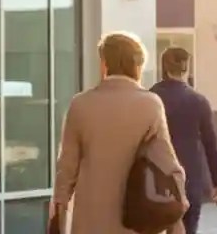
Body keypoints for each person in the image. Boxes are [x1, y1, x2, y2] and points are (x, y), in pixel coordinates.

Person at [52, 32, 184, 234]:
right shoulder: (150, 104)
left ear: (104, 63)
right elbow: (167, 165)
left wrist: (57, 218)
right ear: (137, 66)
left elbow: (66, 170)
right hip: (136, 221)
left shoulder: (81, 105)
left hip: (90, 223)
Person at [151, 47, 217, 234]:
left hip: (155, 180)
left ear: (164, 68)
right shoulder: (198, 101)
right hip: (190, 181)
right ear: (186, 68)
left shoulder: (150, 99)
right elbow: (210, 144)